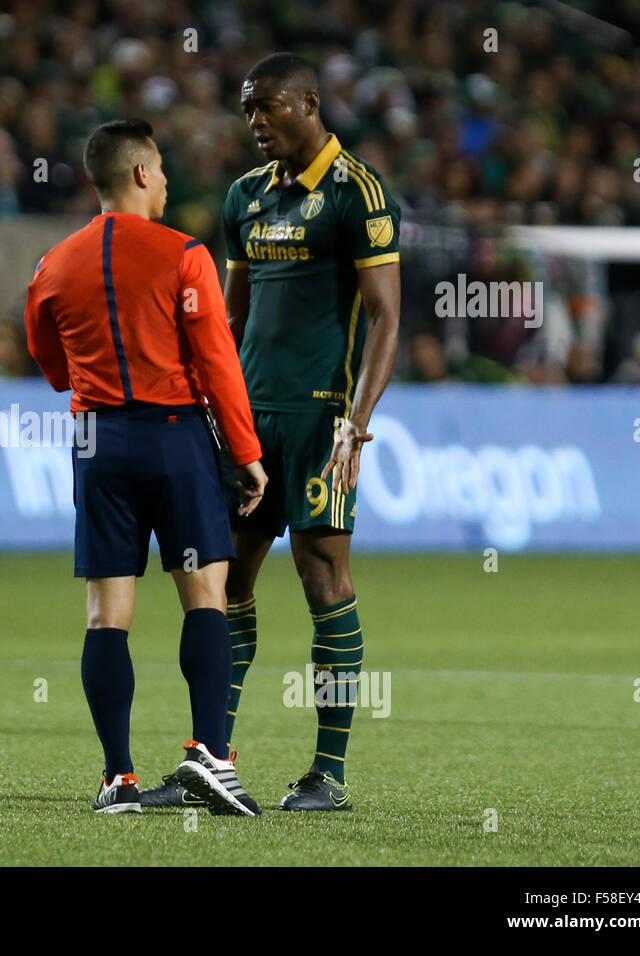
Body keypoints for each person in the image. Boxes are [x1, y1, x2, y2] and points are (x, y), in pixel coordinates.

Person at [140, 54, 402, 812]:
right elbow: (228, 320)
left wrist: (358, 423)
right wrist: (206, 407)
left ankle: (330, 774)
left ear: (310, 102)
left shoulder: (359, 193)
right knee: (223, 588)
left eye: (268, 106)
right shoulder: (245, 198)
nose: (255, 121)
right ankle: (212, 763)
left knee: (324, 582)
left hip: (322, 421)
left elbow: (385, 314)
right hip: (247, 424)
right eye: (247, 110)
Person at [26, 119, 269, 816]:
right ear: (139, 174)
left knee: (108, 612)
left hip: (99, 442)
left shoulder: (53, 264)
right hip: (175, 436)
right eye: (160, 170)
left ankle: (118, 780)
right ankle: (213, 756)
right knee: (204, 597)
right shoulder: (184, 255)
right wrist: (247, 454)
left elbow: (48, 365)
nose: (165, 182)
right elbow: (218, 362)